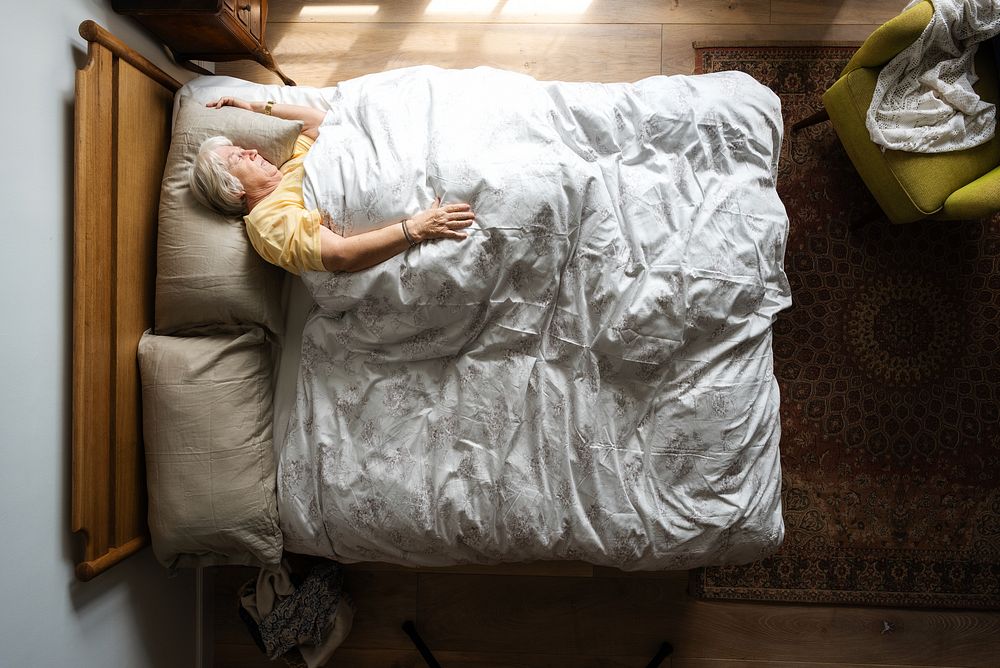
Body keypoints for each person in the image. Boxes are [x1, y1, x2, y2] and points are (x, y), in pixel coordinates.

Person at [190, 97, 476, 274]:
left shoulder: (288, 166)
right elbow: (340, 255)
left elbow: (319, 123)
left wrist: (255, 108)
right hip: (411, 214)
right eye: (238, 157)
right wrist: (416, 229)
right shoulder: (267, 221)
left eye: (243, 148)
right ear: (233, 189)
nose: (251, 151)